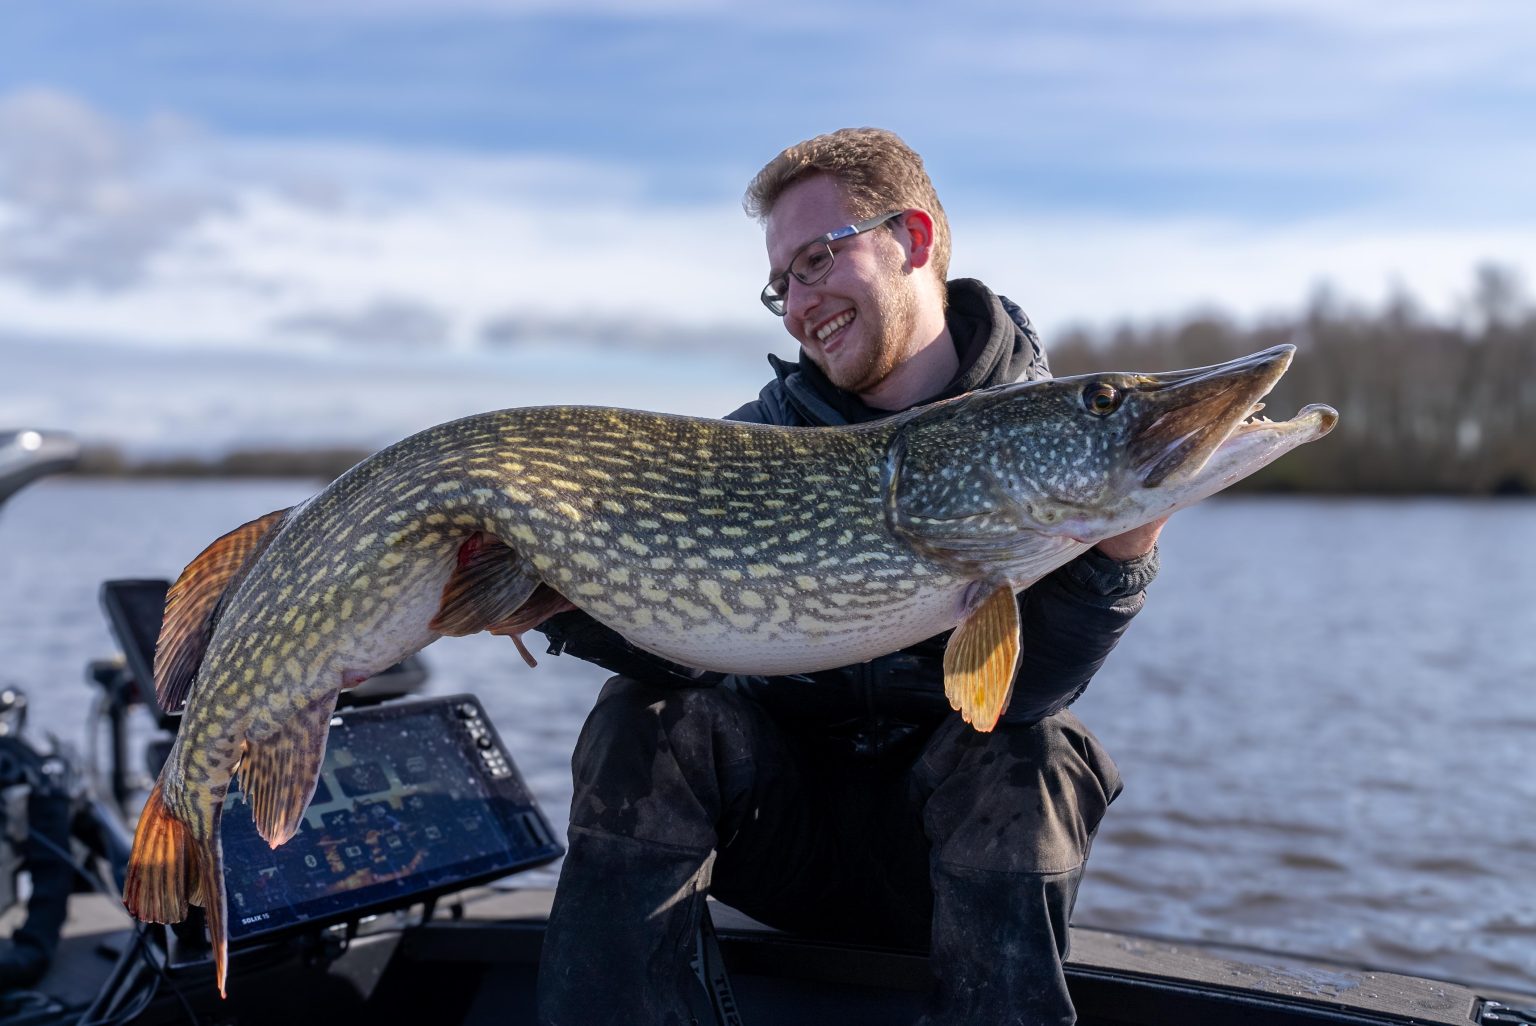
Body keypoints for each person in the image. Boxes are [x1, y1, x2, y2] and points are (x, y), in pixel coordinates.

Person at [534, 127, 1163, 1026]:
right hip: (777, 836)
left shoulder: (1045, 432)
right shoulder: (755, 443)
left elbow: (1018, 698)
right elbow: (695, 653)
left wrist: (1124, 554)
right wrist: (560, 600)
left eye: (818, 259)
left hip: (947, 857)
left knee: (1038, 752)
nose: (799, 303)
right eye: (782, 281)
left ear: (913, 239)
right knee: (642, 721)